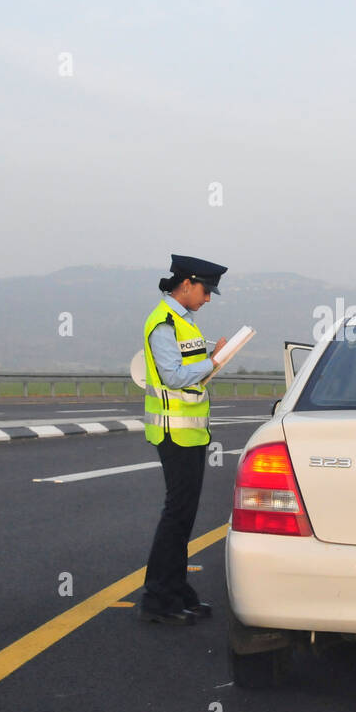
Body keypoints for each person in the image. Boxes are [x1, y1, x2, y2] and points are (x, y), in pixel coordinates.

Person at [139, 254, 229, 625]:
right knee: (176, 514)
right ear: (187, 284)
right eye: (206, 290)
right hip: (172, 432)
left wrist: (211, 359)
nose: (208, 298)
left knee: (184, 516)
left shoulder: (184, 324)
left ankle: (177, 591)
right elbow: (174, 376)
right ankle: (157, 598)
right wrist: (214, 360)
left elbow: (190, 373)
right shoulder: (163, 324)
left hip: (190, 432)